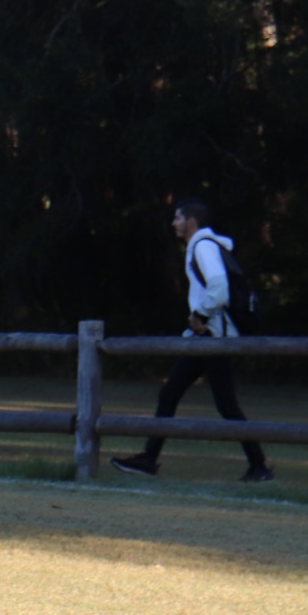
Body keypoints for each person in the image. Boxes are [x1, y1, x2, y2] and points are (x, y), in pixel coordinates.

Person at [112, 198, 275, 483]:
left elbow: (219, 288)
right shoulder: (204, 247)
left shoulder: (202, 246)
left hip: (213, 338)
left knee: (225, 405)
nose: (173, 223)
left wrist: (199, 314)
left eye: (177, 218)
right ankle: (149, 458)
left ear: (192, 221)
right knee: (172, 393)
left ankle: (259, 466)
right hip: (206, 338)